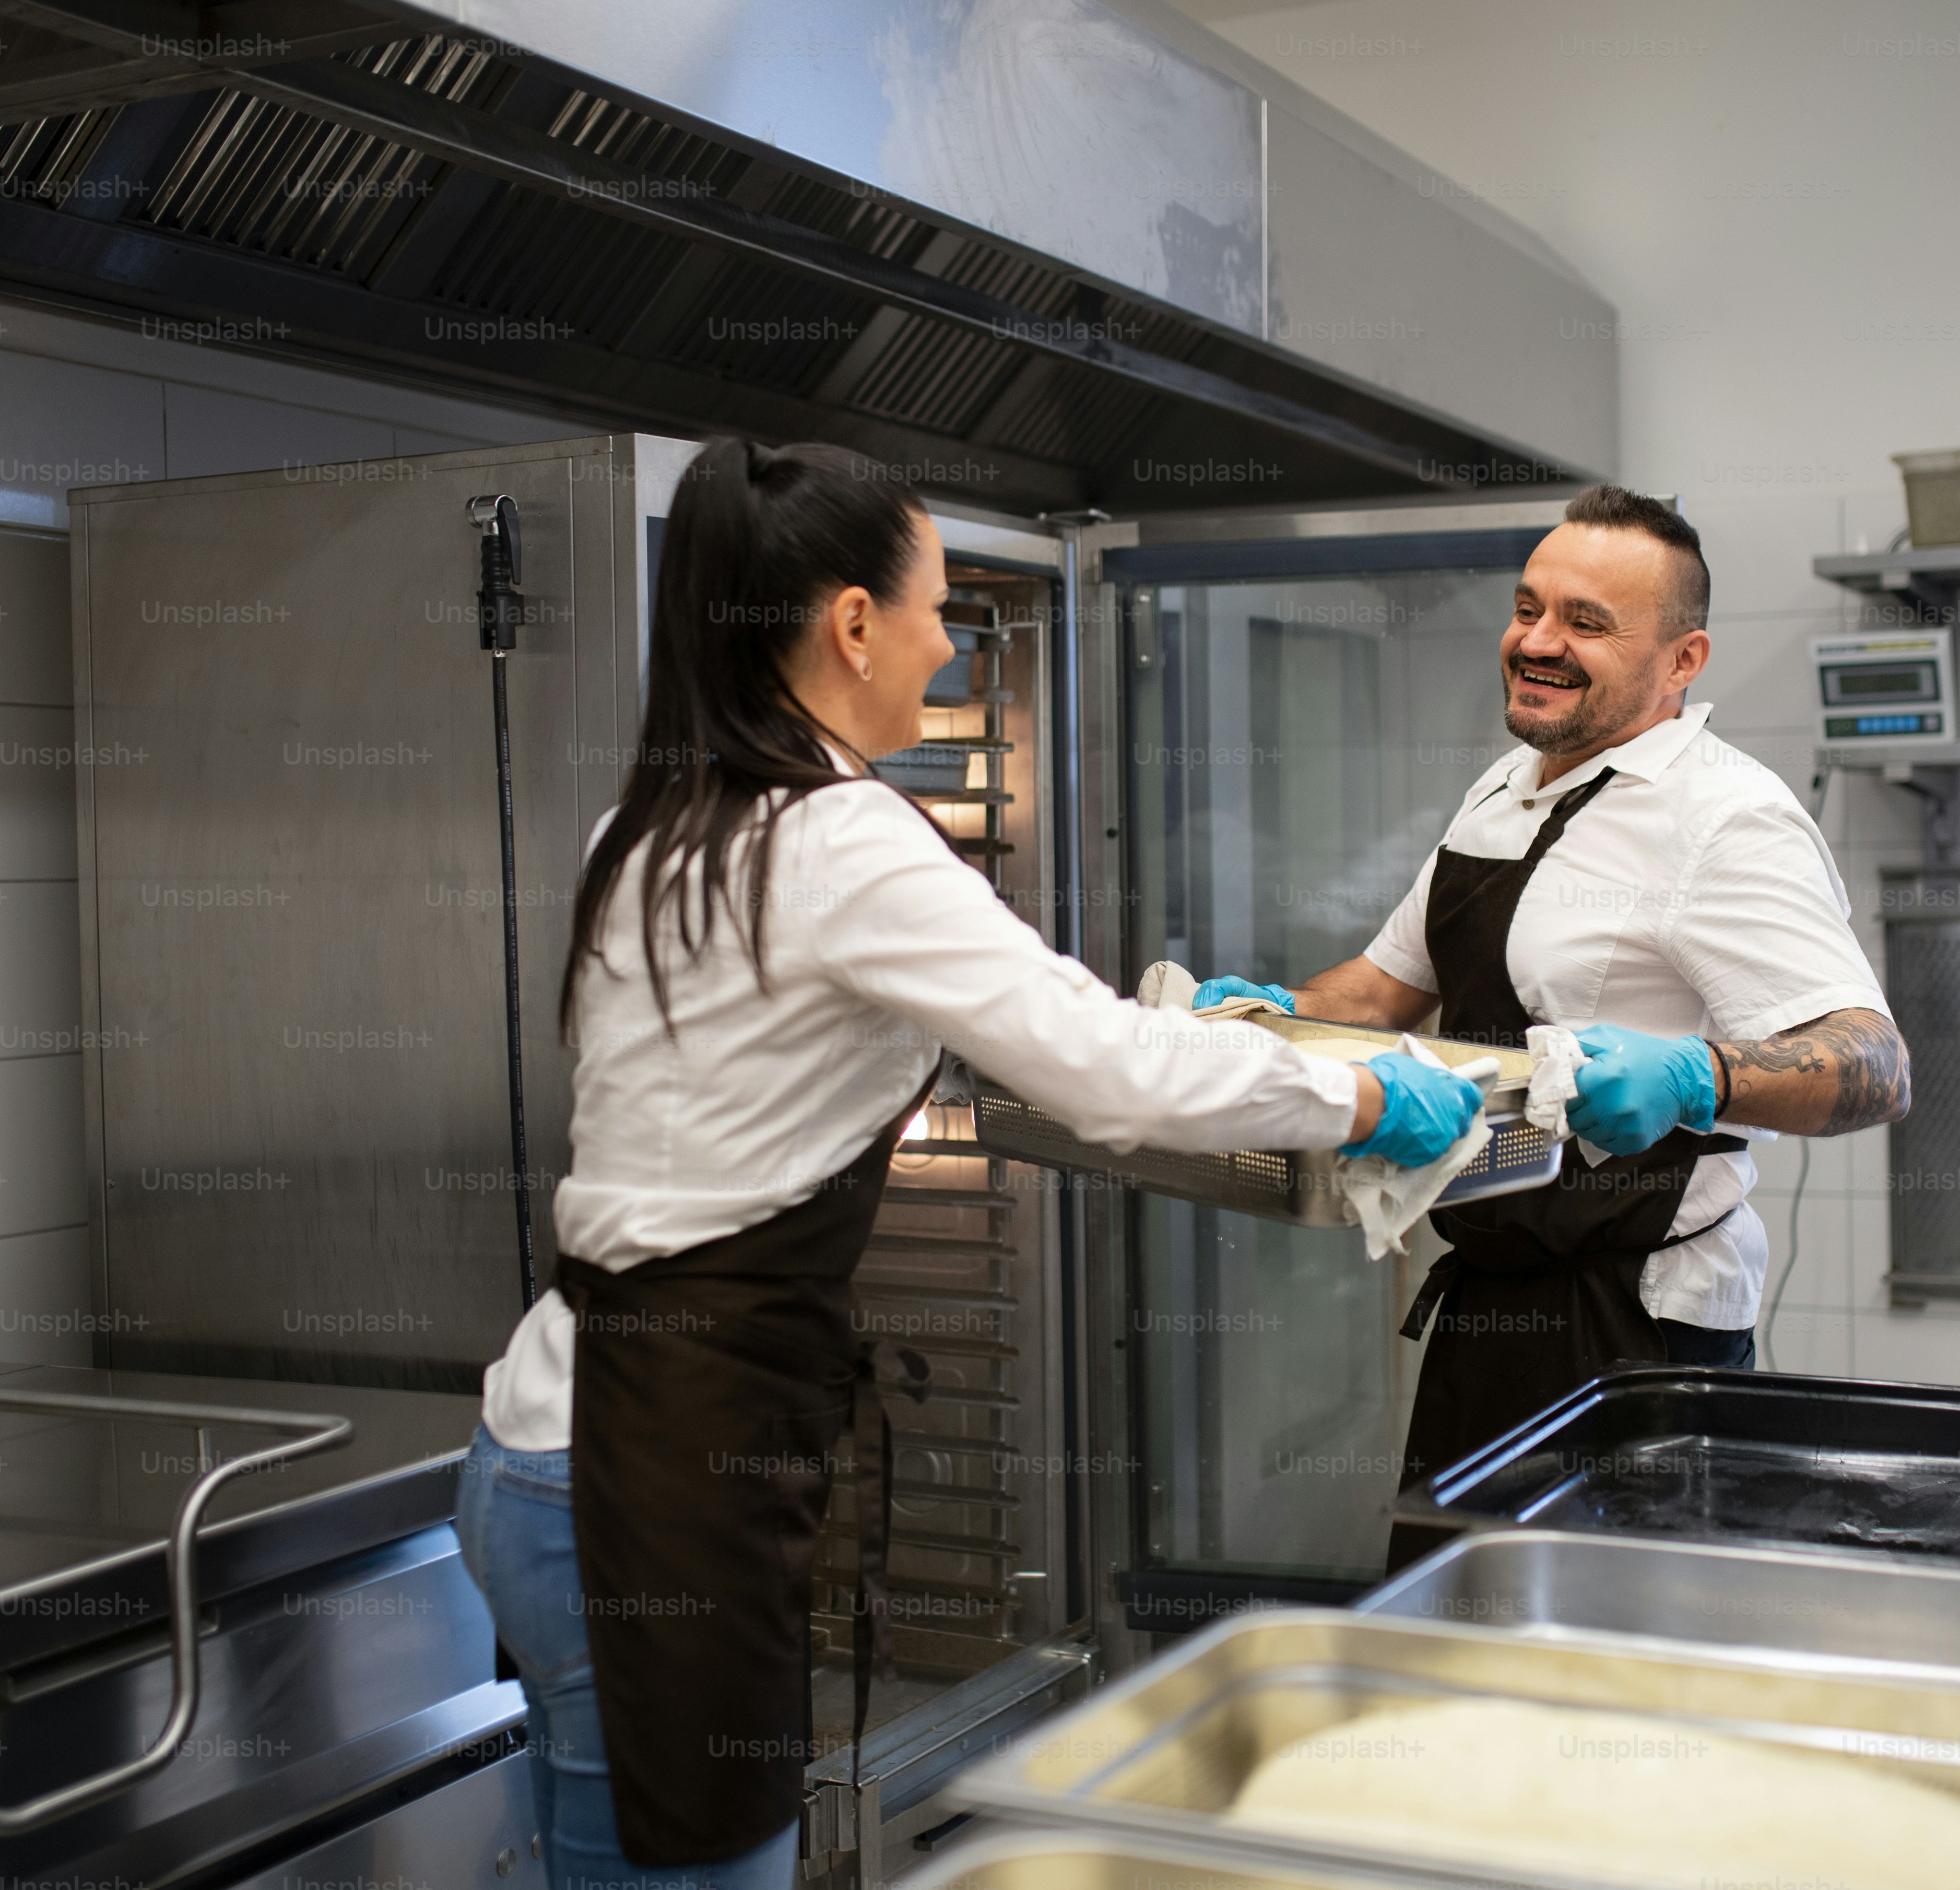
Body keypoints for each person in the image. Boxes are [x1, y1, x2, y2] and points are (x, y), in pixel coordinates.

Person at [454, 438, 1480, 1889]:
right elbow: (1106, 1072)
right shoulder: (840, 837)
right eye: (933, 604)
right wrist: (1359, 1093)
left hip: (547, 1449)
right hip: (643, 1480)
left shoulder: (661, 819)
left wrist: (1199, 1040)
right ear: (852, 621)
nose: (948, 639)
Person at [1191, 485, 1908, 1554]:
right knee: (1450, 1622)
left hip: (1638, 1326)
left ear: (1684, 660)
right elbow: (1385, 991)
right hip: (1486, 1298)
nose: (1538, 642)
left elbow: (1876, 1063)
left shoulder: (1726, 818)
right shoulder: (1504, 786)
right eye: (1529, 608)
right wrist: (1268, 1013)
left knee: (1609, 1675)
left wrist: (1698, 1075)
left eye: (1586, 622)